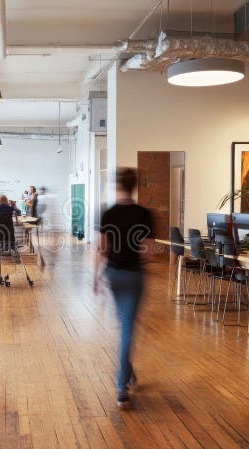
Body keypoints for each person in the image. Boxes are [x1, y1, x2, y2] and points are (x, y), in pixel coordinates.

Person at [93, 167, 152, 409]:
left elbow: (102, 249)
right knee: (128, 329)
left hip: (114, 275)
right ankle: (121, 386)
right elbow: (148, 253)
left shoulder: (108, 213)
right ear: (135, 186)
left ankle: (127, 372)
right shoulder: (144, 214)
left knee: (124, 326)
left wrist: (96, 278)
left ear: (117, 186)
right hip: (134, 275)